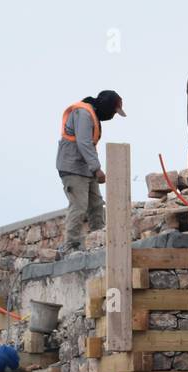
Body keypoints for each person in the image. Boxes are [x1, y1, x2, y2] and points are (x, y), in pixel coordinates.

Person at [56, 90, 126, 255]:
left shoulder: (91, 114)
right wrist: (97, 169)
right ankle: (71, 246)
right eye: (114, 112)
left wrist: (93, 168)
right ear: (107, 106)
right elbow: (84, 143)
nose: (113, 116)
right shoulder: (83, 114)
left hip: (85, 168)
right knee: (79, 205)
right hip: (73, 168)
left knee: (96, 205)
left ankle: (98, 240)